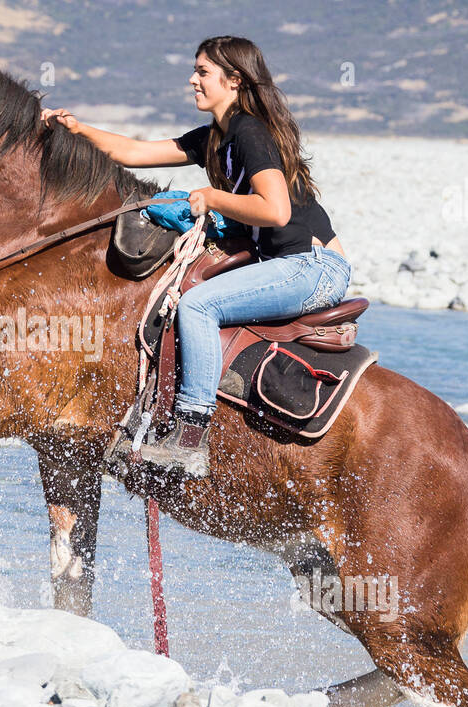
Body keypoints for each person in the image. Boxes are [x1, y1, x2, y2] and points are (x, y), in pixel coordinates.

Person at [41, 35, 350, 476]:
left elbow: (276, 211)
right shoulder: (215, 138)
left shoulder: (249, 131)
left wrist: (212, 197)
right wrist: (78, 130)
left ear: (235, 80)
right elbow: (135, 152)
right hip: (289, 267)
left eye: (203, 72)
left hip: (313, 268)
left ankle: (190, 434)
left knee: (199, 304)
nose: (192, 79)